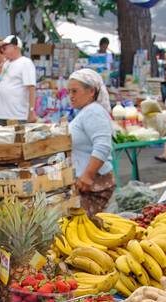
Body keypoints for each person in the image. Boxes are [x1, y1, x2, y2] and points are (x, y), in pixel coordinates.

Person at [66, 69, 115, 214]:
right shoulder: (86, 111)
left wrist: (88, 175)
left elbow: (102, 146)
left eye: (75, 91)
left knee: (88, 229)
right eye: (69, 91)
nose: (71, 96)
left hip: (93, 183)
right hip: (87, 182)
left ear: (91, 91)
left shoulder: (93, 112)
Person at [0, 35, 37, 123]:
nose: (3, 51)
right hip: (3, 114)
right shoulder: (7, 63)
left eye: (5, 48)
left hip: (18, 115)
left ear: (14, 47)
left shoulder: (25, 62)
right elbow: (0, 77)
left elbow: (31, 88)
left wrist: (31, 110)